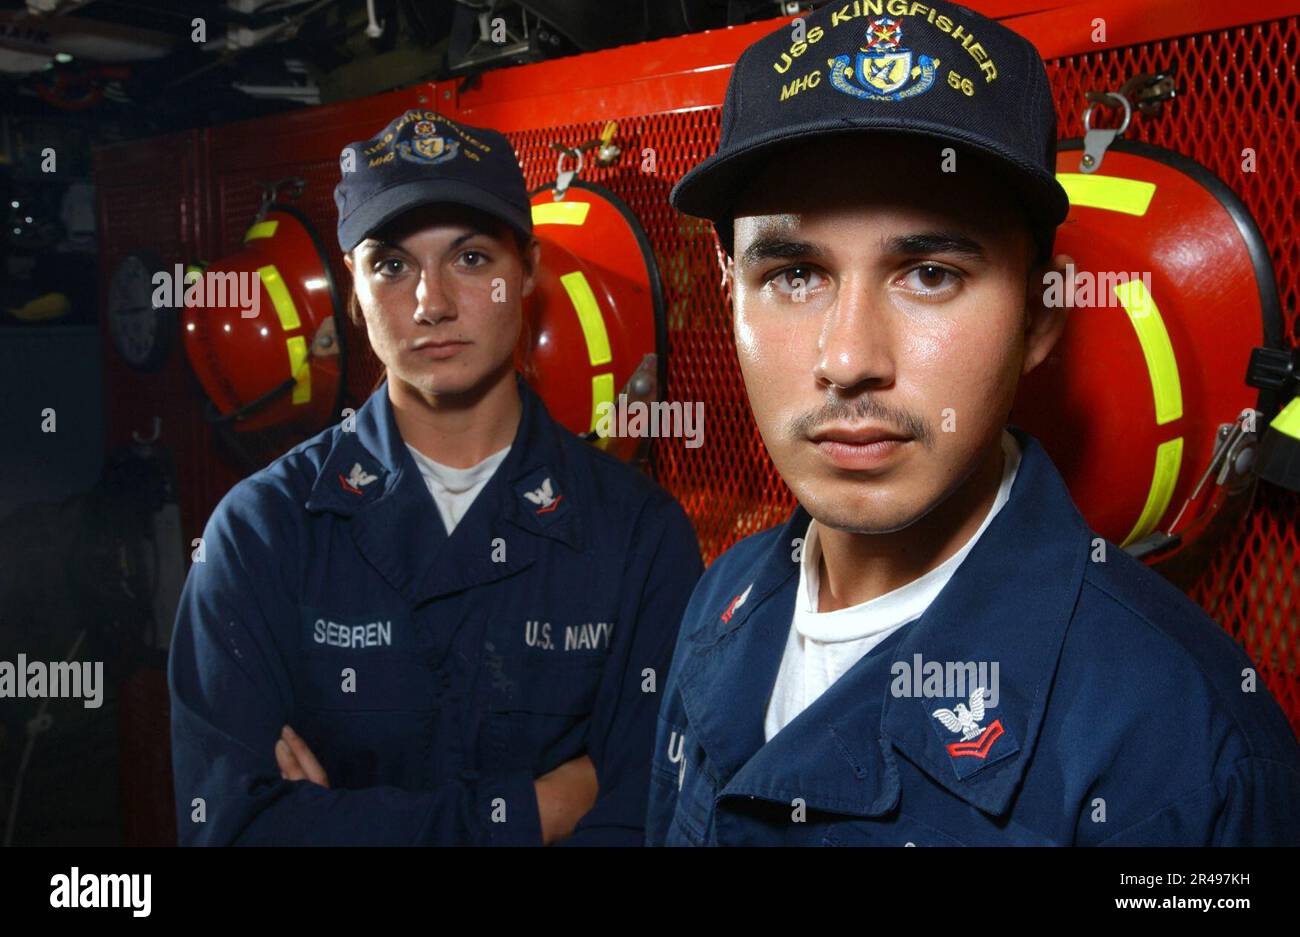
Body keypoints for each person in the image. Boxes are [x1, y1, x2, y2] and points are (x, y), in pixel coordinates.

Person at [646, 0, 1300, 845]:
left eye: (929, 273)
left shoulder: (1186, 758)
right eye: (796, 273)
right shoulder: (721, 603)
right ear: (728, 289)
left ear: (1037, 313)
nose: (848, 360)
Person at [169, 109, 703, 845]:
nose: (432, 303)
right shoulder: (262, 533)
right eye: (392, 265)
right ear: (352, 292)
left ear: (528, 272)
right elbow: (231, 830)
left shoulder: (638, 537)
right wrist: (538, 810)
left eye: (472, 258)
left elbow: (647, 818)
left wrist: (338, 826)